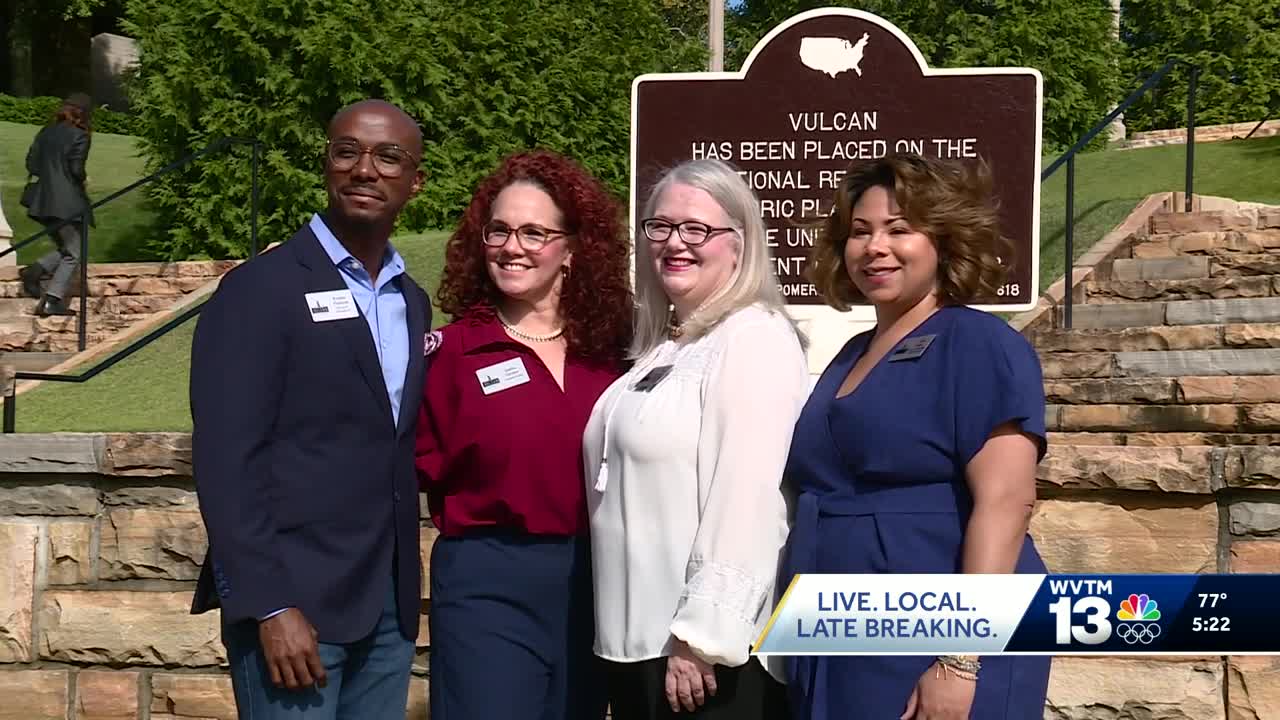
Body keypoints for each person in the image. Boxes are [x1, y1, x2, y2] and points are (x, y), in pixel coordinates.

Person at [781, 153, 1051, 720]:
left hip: (935, 628)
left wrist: (960, 657)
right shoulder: (852, 353)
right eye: (860, 232)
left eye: (899, 229)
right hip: (841, 626)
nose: (875, 247)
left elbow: (1007, 501)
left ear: (944, 241)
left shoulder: (978, 344)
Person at [189, 99, 431, 720]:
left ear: (416, 180)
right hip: (294, 608)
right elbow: (226, 461)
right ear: (326, 166)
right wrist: (267, 605)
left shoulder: (413, 302)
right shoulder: (259, 290)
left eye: (388, 156)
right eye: (347, 151)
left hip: (387, 610)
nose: (365, 170)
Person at [581, 158, 808, 719]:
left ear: (740, 243)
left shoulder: (753, 337)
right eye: (660, 227)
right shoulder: (667, 347)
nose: (675, 243)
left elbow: (747, 499)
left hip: (707, 660)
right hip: (637, 645)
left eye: (697, 229)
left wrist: (703, 637)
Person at [416, 149, 632, 720]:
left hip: (598, 579)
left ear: (573, 248)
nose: (513, 247)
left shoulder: (618, 352)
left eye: (535, 232)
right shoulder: (453, 354)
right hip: (490, 580)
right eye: (500, 231)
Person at [20, 92, 95, 316]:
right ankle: (52, 300)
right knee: (75, 253)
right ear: (84, 113)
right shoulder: (80, 135)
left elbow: (31, 164)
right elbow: (75, 169)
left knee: (68, 248)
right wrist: (84, 179)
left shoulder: (46, 131)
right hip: (66, 203)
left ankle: (35, 270)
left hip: (41, 202)